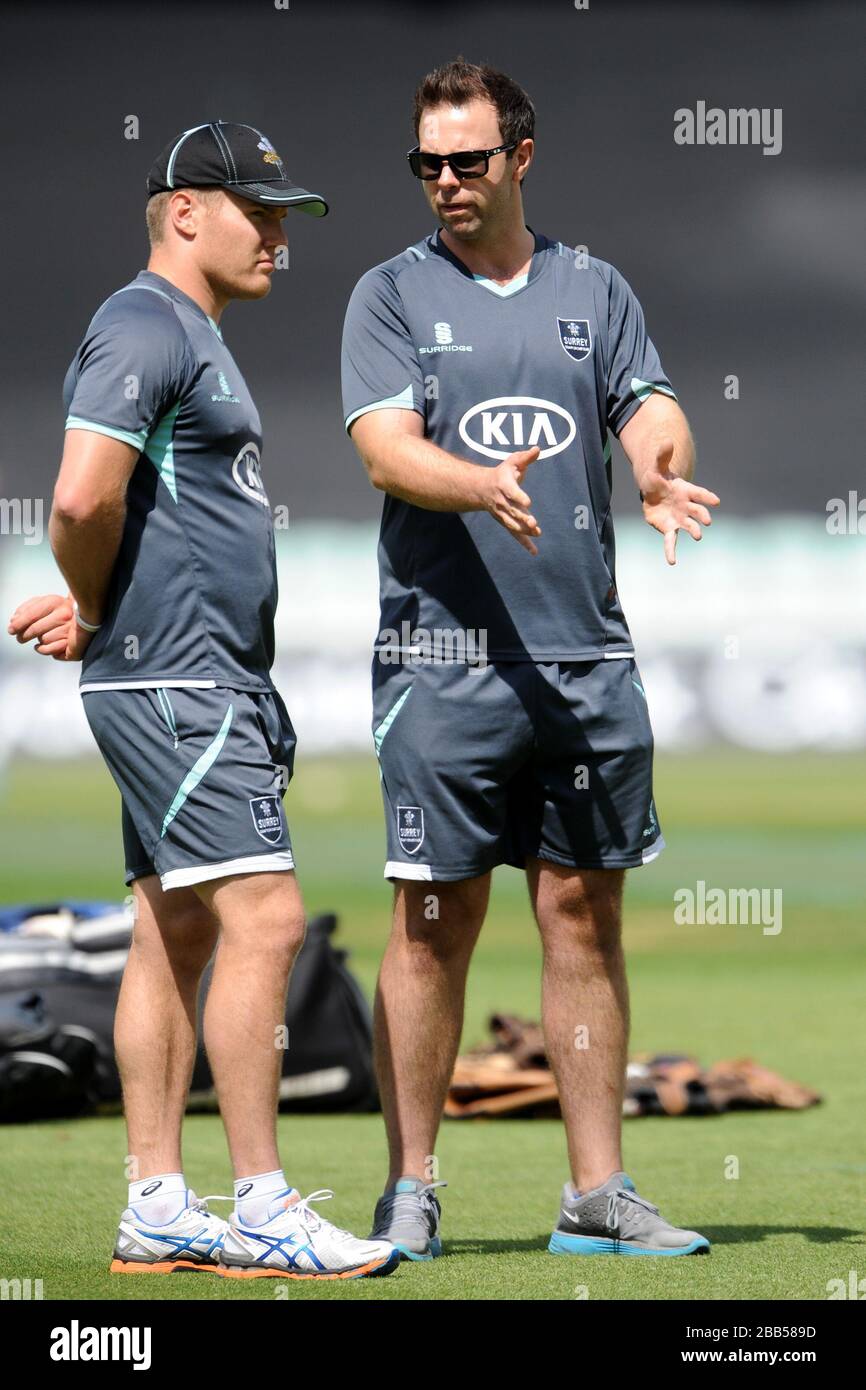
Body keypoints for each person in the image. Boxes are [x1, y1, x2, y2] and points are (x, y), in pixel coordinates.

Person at [7, 121, 398, 1281]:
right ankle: (266, 1203)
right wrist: (97, 600)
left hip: (182, 668)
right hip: (182, 679)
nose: (280, 233)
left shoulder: (188, 333)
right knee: (266, 922)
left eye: (285, 213)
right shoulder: (142, 323)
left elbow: (134, 518)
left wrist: (95, 608)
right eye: (258, 210)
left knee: (172, 932)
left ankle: (160, 1205)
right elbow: (81, 501)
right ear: (185, 210)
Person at [342, 58, 719, 1259]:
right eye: (427, 164)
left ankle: (594, 1196)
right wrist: (476, 482)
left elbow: (646, 406)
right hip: (441, 662)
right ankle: (411, 1187)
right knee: (429, 923)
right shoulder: (388, 295)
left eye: (468, 160)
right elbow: (385, 452)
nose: (445, 183)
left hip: (583, 660)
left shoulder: (591, 288)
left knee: (581, 914)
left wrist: (657, 465)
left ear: (520, 156)